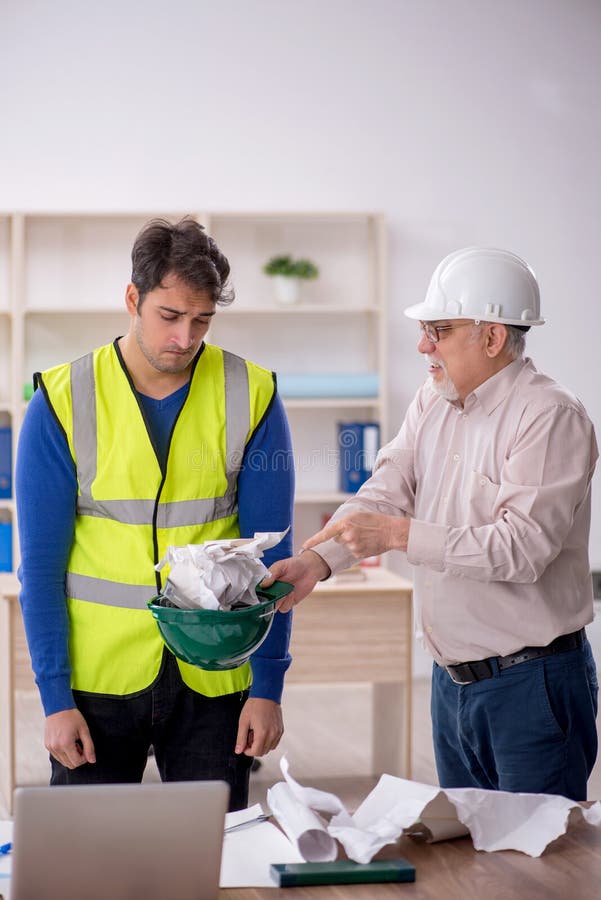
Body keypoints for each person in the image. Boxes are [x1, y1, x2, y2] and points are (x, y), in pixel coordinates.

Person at [265, 246, 599, 801]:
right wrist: (316, 561)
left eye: (438, 331)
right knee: (470, 849)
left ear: (492, 337)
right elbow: (386, 490)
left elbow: (521, 549)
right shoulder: (433, 398)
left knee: (534, 853)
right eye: (425, 330)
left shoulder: (548, 416)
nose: (423, 346)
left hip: (531, 687)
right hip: (452, 684)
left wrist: (397, 537)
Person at [16, 216, 294, 810]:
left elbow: (275, 559)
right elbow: (38, 569)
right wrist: (55, 700)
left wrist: (268, 686)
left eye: (202, 320)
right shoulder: (61, 399)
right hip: (97, 679)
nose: (185, 337)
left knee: (216, 851)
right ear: (132, 299)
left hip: (217, 673)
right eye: (169, 316)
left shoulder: (252, 393)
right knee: (88, 854)